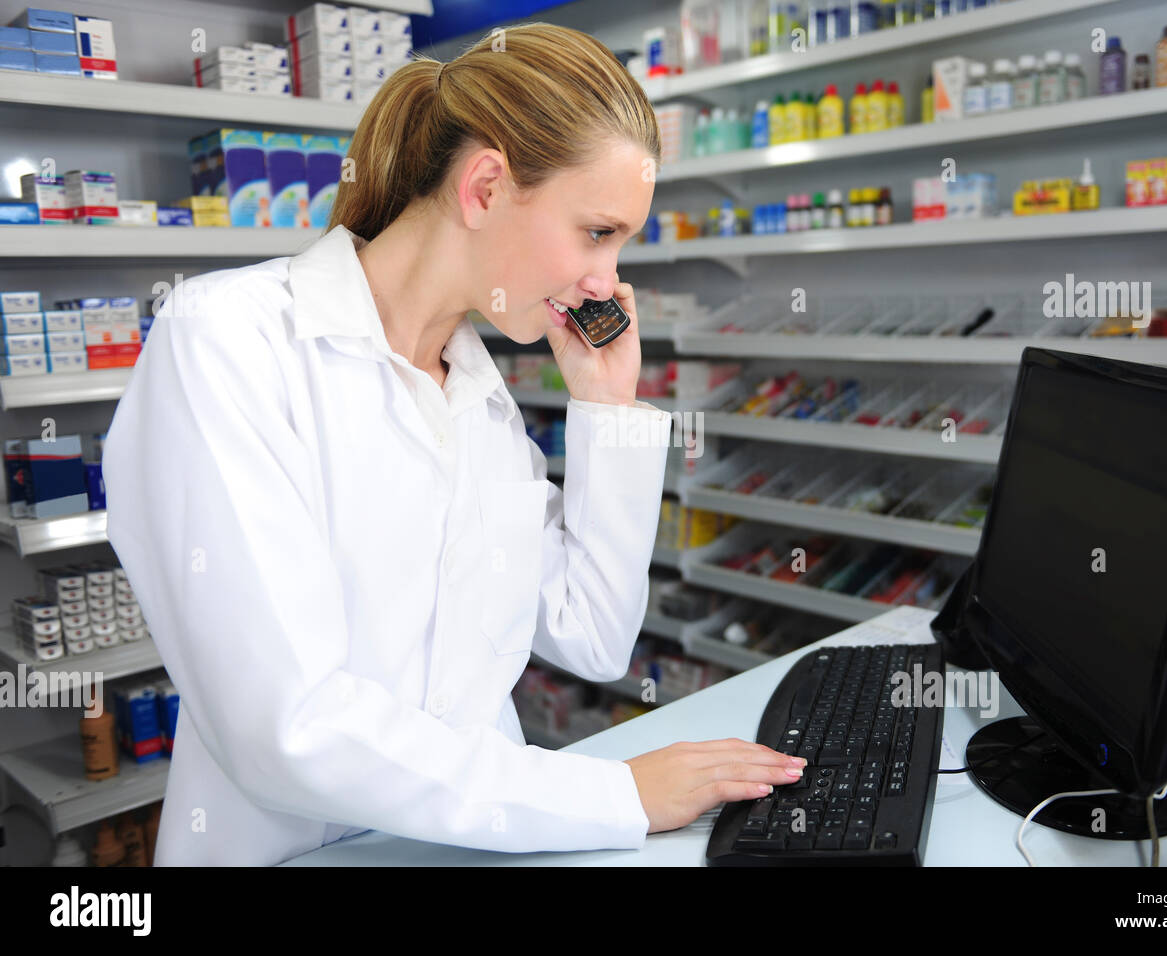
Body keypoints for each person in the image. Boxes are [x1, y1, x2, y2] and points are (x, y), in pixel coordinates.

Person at [102, 23, 805, 867]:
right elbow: (288, 727)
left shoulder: (481, 402)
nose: (607, 283)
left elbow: (592, 636)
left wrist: (608, 407)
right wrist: (613, 795)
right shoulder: (228, 343)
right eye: (596, 232)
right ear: (483, 188)